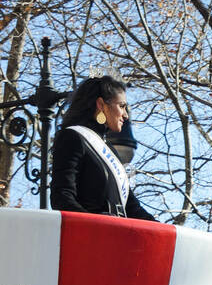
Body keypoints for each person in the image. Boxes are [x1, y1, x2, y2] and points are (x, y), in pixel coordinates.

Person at [50, 75, 159, 221]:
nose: (126, 115)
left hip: (116, 236)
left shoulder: (111, 151)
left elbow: (132, 208)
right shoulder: (72, 137)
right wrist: (95, 224)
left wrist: (164, 228)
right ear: (101, 104)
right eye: (121, 106)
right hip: (90, 237)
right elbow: (62, 197)